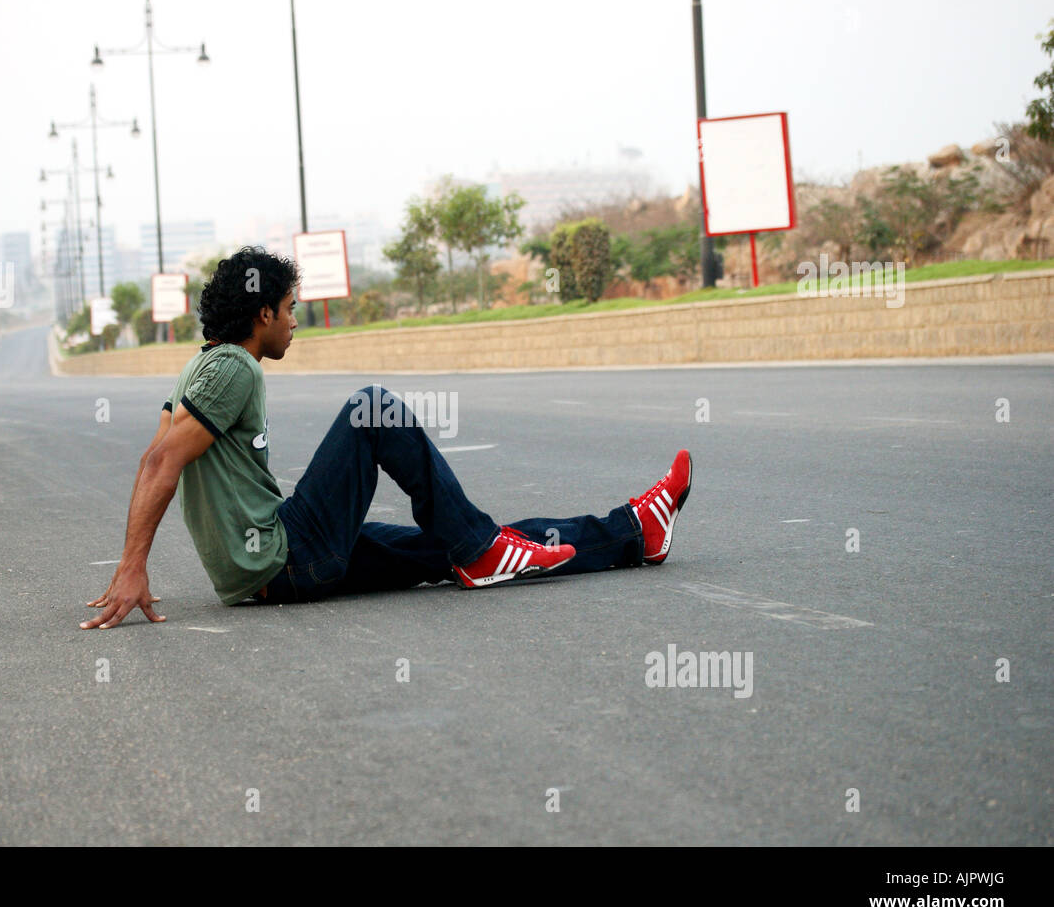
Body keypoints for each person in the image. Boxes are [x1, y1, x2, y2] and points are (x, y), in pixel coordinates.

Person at [83, 247, 692, 628]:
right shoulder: (233, 367)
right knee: (371, 410)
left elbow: (151, 456)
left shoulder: (196, 367)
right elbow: (160, 463)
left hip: (270, 569)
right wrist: (132, 565)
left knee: (459, 546)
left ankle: (635, 531)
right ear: (262, 313)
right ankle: (483, 549)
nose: (297, 322)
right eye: (291, 308)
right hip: (284, 555)